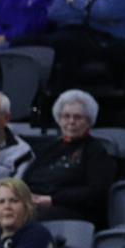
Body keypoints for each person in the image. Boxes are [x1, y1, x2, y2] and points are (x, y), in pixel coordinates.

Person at [21, 90, 119, 225]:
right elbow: (28, 178)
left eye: (78, 117)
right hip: (36, 204)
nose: (71, 122)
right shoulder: (50, 148)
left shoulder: (95, 151)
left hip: (73, 212)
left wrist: (53, 199)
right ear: (59, 119)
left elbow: (96, 192)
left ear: (89, 121)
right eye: (66, 116)